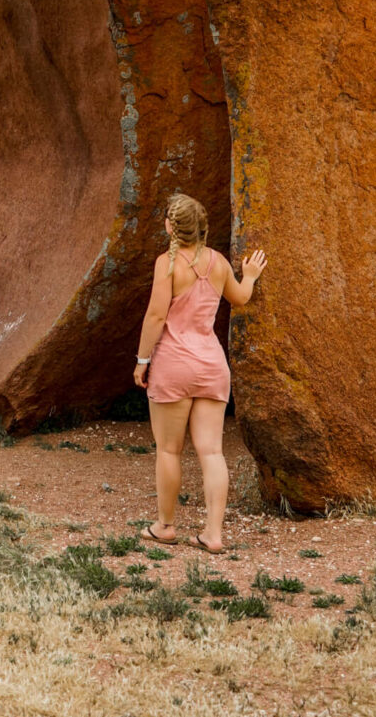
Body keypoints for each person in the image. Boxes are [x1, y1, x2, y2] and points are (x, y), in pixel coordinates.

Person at [133, 193, 267, 553]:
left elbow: (156, 316)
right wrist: (251, 275)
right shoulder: (219, 262)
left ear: (171, 228)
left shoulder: (167, 263)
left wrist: (142, 360)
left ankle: (165, 526)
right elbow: (240, 298)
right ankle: (213, 534)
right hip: (211, 366)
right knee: (211, 452)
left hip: (173, 366)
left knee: (169, 450)